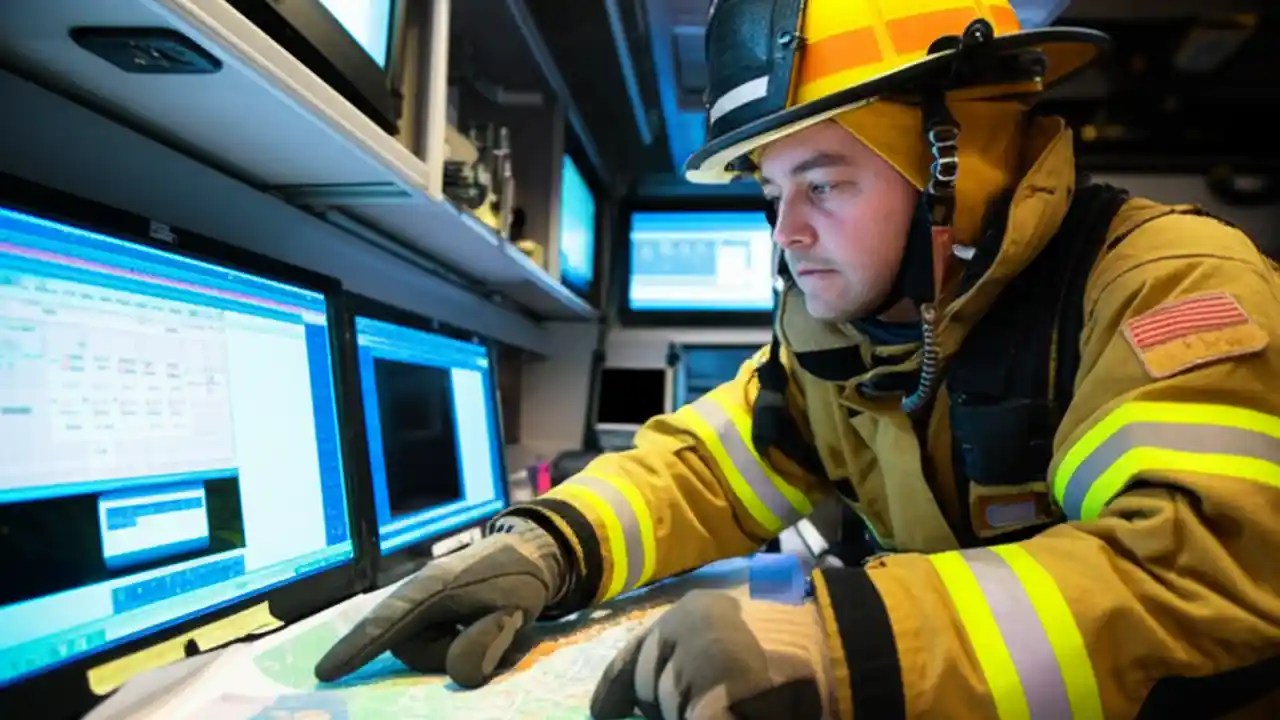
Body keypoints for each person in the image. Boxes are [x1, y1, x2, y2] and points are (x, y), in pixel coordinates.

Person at [315, 0, 1280, 717]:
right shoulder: (847, 340)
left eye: (824, 184)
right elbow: (706, 468)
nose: (786, 235)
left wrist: (844, 642)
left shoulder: (1164, 285)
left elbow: (1206, 578)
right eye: (775, 195)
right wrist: (551, 543)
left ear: (956, 162)